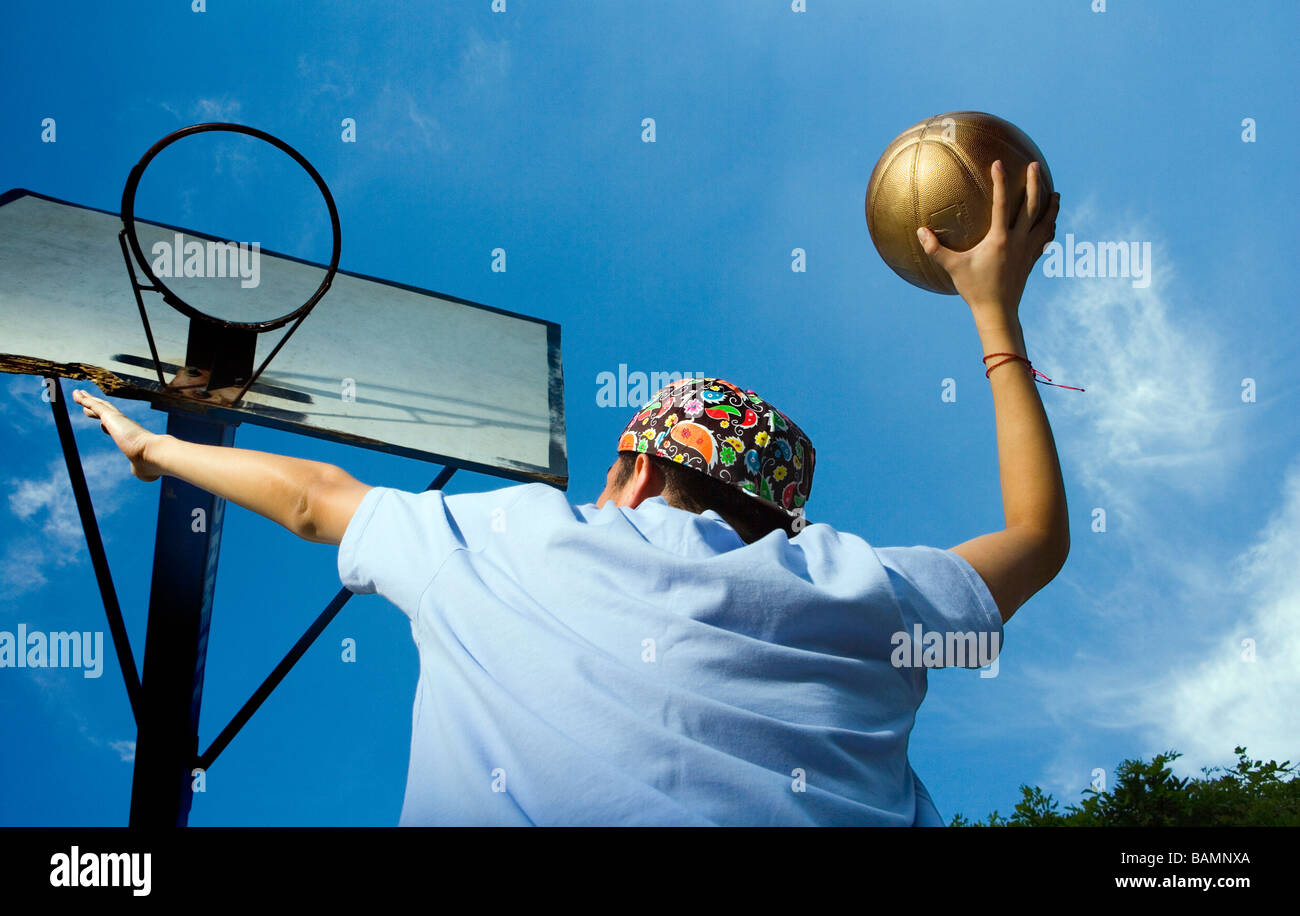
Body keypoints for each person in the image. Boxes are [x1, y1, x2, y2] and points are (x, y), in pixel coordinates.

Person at [73, 160, 1066, 826]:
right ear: (780, 513)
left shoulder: (512, 534)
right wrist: (993, 305)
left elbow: (313, 495)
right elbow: (1037, 534)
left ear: (635, 466)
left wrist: (157, 445)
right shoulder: (864, 590)